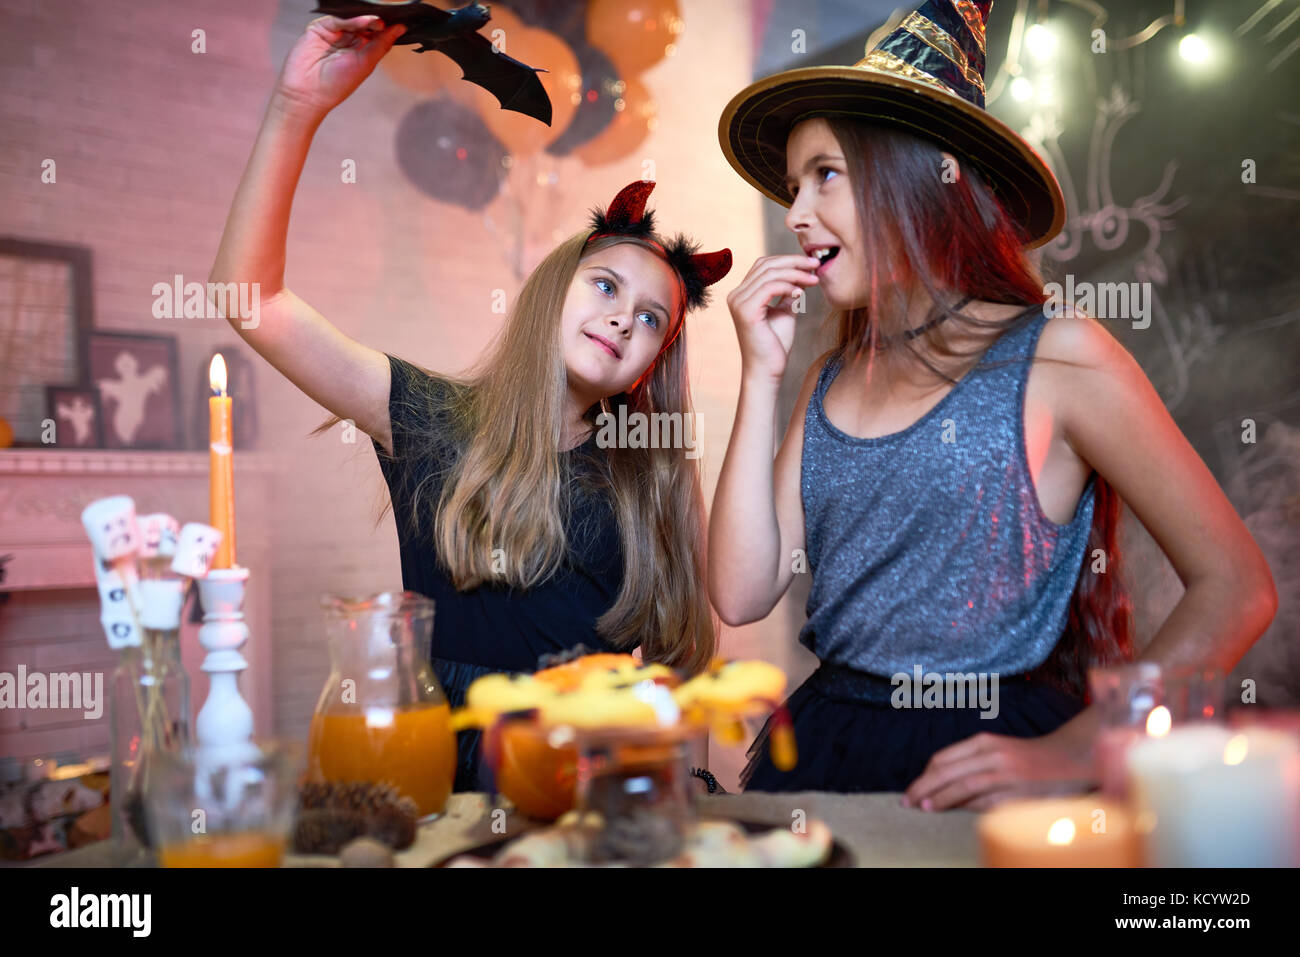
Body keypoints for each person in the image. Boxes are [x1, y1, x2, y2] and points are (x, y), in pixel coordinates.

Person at [710, 0, 1277, 808]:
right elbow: (739, 592)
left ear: (917, 173)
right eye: (793, 185)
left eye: (825, 174)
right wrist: (759, 378)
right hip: (829, 751)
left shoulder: (1059, 354)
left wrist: (1080, 748)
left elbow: (1237, 584)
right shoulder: (828, 377)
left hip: (989, 761)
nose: (795, 213)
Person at [208, 14, 729, 790]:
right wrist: (296, 105)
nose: (625, 316)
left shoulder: (645, 472)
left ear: (653, 362)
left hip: (590, 769)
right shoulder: (425, 417)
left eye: (652, 318)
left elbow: (677, 669)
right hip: (439, 765)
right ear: (555, 290)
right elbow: (251, 302)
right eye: (607, 286)